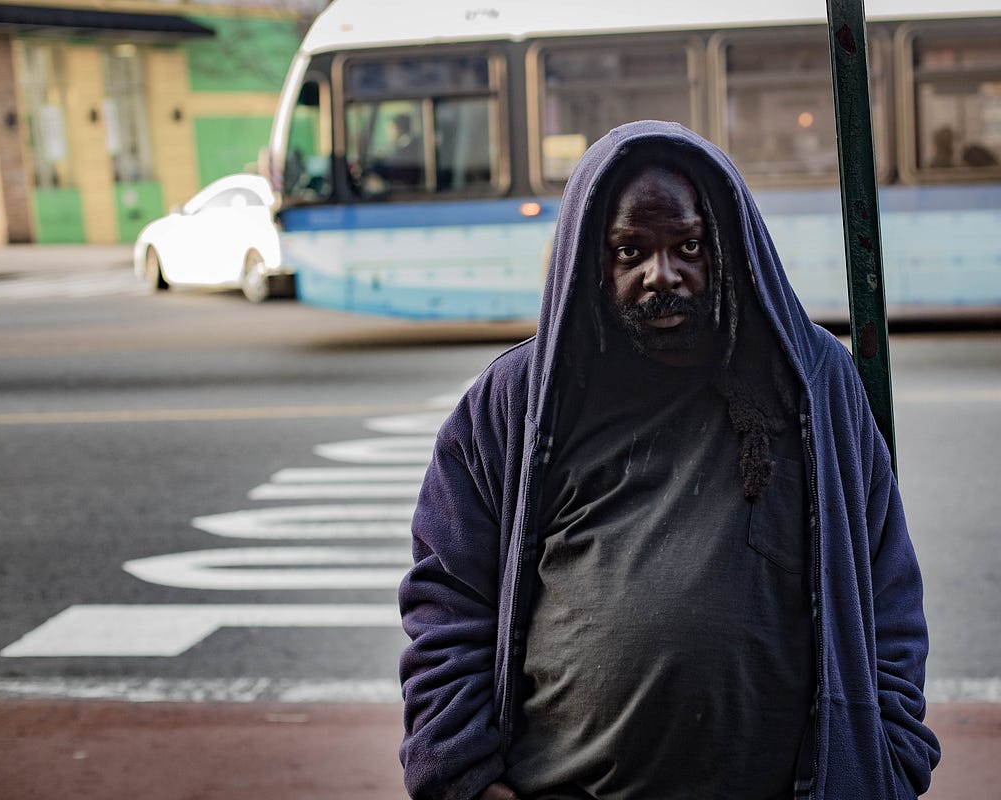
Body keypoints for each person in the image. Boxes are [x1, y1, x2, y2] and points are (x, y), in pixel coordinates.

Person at [399, 120, 940, 800]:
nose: (663, 274)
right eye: (630, 251)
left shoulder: (809, 384)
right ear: (591, 260)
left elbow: (885, 591)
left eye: (689, 245)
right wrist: (463, 778)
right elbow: (448, 600)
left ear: (729, 246)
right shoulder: (517, 403)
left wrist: (886, 758)